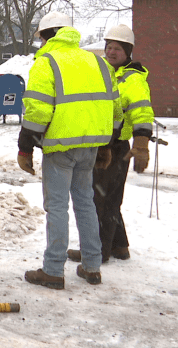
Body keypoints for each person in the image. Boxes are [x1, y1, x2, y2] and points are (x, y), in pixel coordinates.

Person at [16, 11, 120, 289]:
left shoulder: (47, 62)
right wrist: (107, 145)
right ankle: (92, 266)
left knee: (58, 207)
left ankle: (52, 270)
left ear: (46, 36)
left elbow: (37, 110)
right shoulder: (96, 62)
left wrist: (25, 148)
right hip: (91, 146)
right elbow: (114, 108)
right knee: (85, 203)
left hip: (61, 147)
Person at [67, 24, 154, 264]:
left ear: (128, 52)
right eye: (109, 47)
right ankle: (120, 246)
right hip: (106, 145)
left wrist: (142, 141)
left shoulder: (132, 78)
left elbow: (142, 110)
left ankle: (96, 252)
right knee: (111, 199)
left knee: (100, 200)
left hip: (114, 148)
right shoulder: (105, 72)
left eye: (118, 48)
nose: (112, 52)